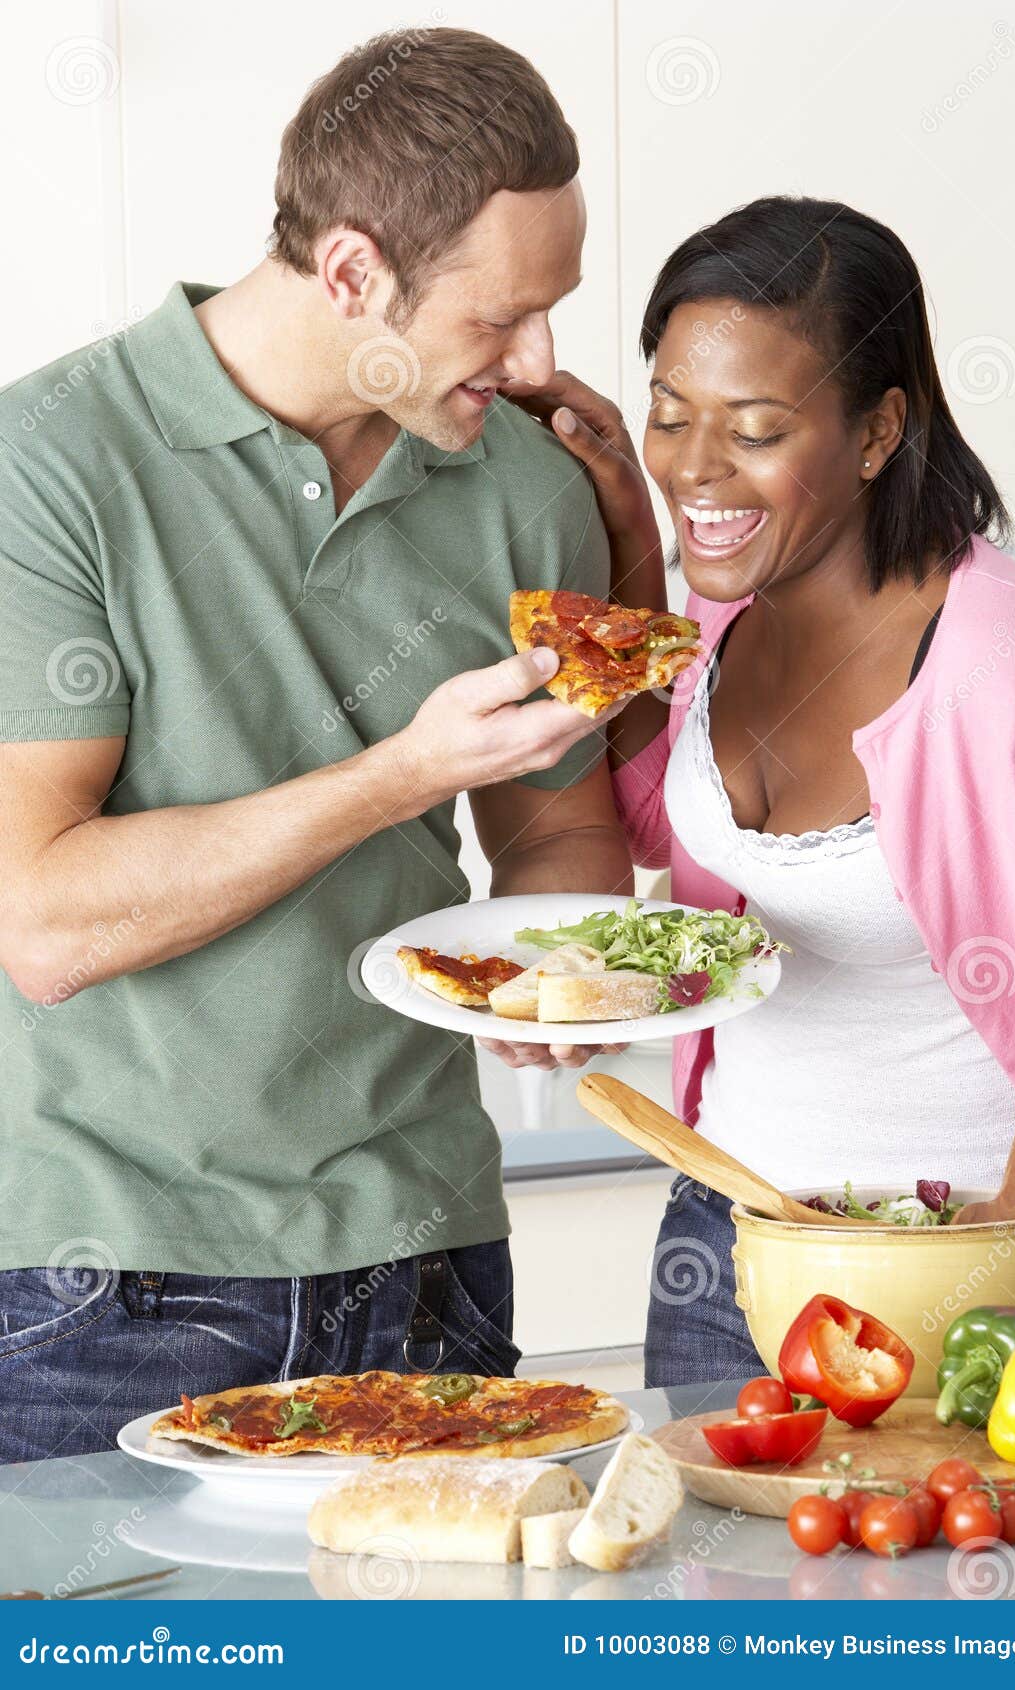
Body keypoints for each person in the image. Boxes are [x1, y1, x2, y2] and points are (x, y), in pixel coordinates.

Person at [0, 28, 633, 1461]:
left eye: (551, 309)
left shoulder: (525, 486)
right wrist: (399, 773)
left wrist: (582, 968)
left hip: (427, 1265)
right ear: (353, 274)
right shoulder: (48, 462)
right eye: (498, 318)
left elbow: (556, 827)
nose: (537, 359)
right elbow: (43, 917)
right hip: (106, 1281)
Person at [513, 196, 1015, 1386]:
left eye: (753, 429)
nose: (694, 467)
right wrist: (623, 519)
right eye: (669, 418)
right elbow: (662, 818)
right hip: (730, 1241)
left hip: (981, 1265)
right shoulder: (719, 612)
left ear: (875, 434)